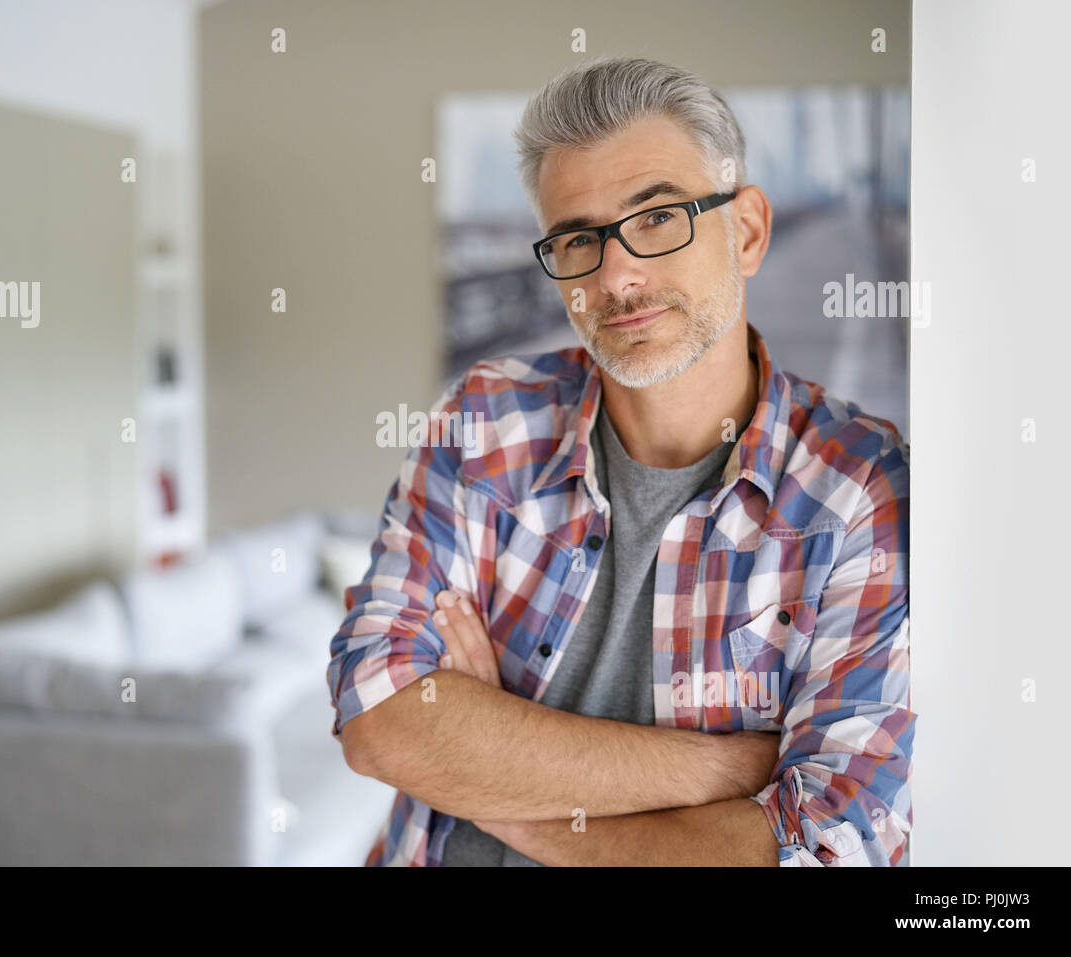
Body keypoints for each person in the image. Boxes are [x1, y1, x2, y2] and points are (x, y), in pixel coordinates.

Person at [327, 56, 913, 866]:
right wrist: (734, 767)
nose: (617, 275)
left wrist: (503, 793)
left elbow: (828, 842)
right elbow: (378, 714)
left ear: (745, 230)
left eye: (657, 218)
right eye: (577, 238)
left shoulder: (858, 486)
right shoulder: (485, 419)